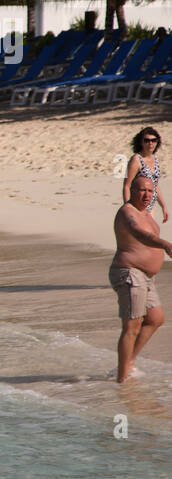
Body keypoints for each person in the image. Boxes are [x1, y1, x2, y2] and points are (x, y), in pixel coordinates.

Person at [110, 175, 172, 382]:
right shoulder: (128, 212)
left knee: (155, 319)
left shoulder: (146, 213)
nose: (146, 195)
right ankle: (121, 380)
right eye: (141, 190)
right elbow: (138, 233)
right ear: (132, 191)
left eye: (149, 191)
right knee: (132, 325)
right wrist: (164, 244)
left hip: (146, 276)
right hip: (129, 272)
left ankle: (128, 363)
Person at [123, 127, 167, 222]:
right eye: (146, 140)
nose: (150, 143)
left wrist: (163, 206)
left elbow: (155, 184)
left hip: (150, 206)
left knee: (151, 234)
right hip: (137, 206)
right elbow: (127, 185)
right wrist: (127, 209)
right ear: (141, 142)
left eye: (153, 140)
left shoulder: (155, 159)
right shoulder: (136, 160)